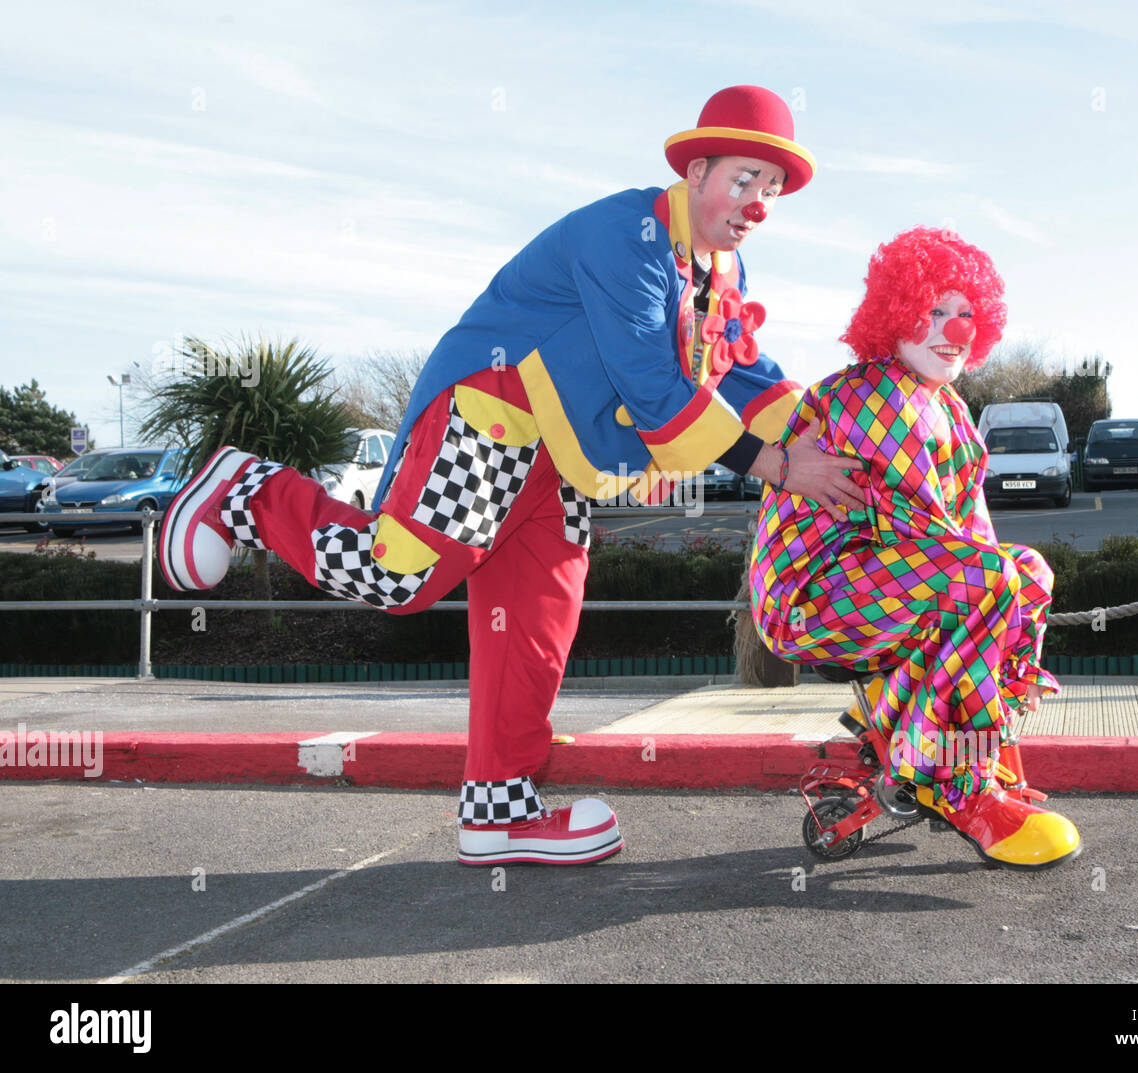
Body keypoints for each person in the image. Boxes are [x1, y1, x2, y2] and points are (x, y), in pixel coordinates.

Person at [158, 85, 865, 866]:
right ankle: (246, 489)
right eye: (743, 180)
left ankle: (499, 808)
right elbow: (654, 388)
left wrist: (844, 429)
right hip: (489, 413)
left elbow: (742, 372)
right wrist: (779, 466)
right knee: (402, 573)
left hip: (560, 456)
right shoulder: (625, 235)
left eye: (770, 190)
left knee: (537, 622)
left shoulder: (718, 267)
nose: (757, 204)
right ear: (696, 172)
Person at [749, 226, 1080, 869]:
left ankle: (962, 751)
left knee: (1027, 571)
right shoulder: (871, 393)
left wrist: (1013, 653)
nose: (954, 331)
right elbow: (933, 540)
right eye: (935, 312)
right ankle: (954, 783)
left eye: (966, 316)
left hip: (887, 583)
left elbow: (976, 535)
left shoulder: (948, 408)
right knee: (982, 581)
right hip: (812, 596)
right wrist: (1001, 620)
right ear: (895, 313)